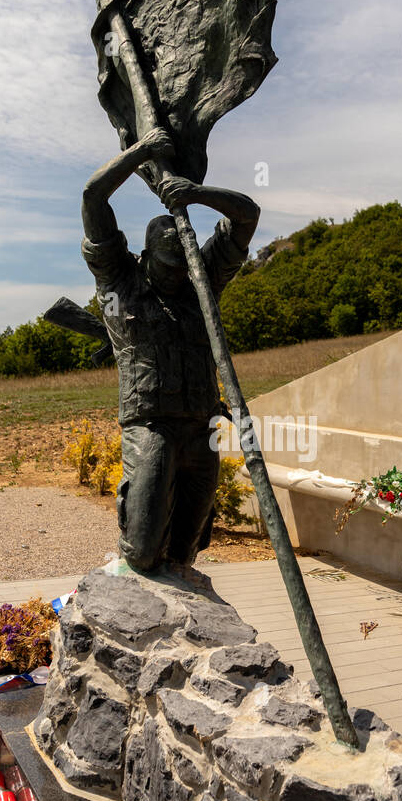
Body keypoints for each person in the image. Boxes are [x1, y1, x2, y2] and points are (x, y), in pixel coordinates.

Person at [80, 127, 259, 571]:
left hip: (202, 429)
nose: (177, 272)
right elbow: (92, 198)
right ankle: (126, 582)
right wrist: (140, 151)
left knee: (185, 553)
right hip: (151, 428)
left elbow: (247, 216)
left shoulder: (203, 279)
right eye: (167, 264)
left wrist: (195, 193)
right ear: (146, 258)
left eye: (183, 262)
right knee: (142, 552)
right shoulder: (120, 283)